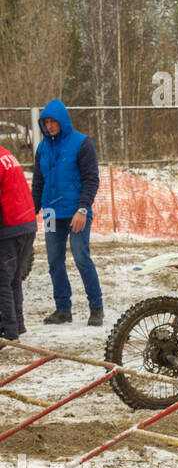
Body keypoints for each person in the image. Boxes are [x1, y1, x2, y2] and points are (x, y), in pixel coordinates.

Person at [31, 99, 104, 326]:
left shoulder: (82, 143)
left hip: (76, 212)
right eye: (46, 122)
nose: (50, 126)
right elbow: (38, 183)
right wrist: (30, 212)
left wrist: (83, 209)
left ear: (63, 121)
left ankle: (96, 306)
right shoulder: (42, 147)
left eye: (53, 121)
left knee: (81, 257)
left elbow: (91, 179)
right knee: (54, 261)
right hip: (52, 213)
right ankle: (63, 309)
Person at [0, 142, 37, 342]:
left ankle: (9, 332)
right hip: (27, 223)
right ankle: (18, 325)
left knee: (2, 281)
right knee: (13, 279)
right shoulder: (6, 155)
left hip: (11, 225)